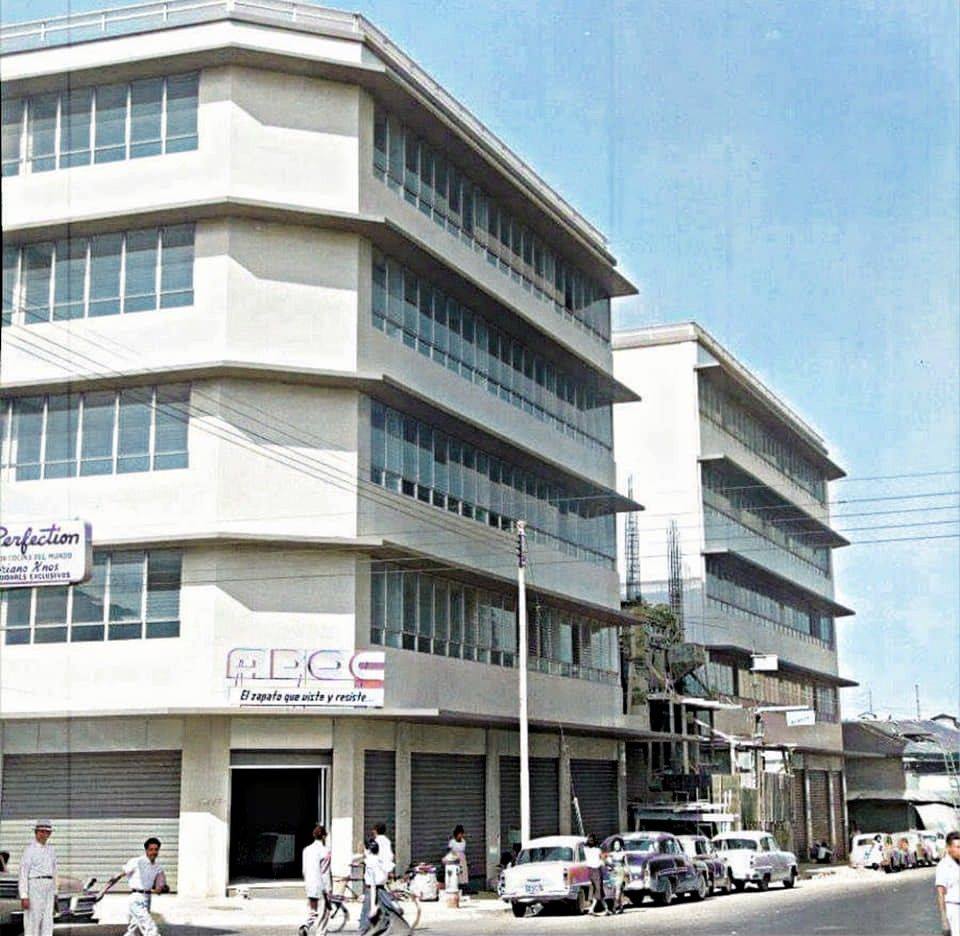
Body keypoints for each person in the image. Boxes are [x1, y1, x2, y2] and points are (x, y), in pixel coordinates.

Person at [103, 837, 169, 936]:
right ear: (146, 850)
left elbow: (159, 889)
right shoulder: (136, 862)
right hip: (136, 898)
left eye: (156, 849)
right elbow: (119, 875)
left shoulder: (158, 868)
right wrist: (104, 889)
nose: (154, 852)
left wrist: (163, 888)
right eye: (151, 849)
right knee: (150, 928)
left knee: (133, 930)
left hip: (147, 899)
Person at [18, 820, 57, 936]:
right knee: (33, 920)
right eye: (41, 832)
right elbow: (23, 873)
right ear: (36, 832)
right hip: (35, 884)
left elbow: (54, 871)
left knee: (47, 920)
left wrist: (55, 892)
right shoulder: (29, 850)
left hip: (48, 886)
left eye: (47, 832)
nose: (44, 834)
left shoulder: (51, 850)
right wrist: (24, 895)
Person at [299, 825, 333, 936]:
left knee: (313, 911)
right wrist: (328, 889)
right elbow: (325, 872)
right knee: (324, 915)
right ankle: (320, 934)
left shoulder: (306, 850)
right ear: (323, 836)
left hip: (310, 885)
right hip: (322, 887)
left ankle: (305, 925)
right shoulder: (325, 851)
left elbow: (304, 870)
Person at [358, 835, 388, 936]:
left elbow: (373, 884)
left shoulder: (370, 863)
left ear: (367, 850)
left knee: (366, 921)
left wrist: (372, 906)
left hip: (372, 892)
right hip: (382, 891)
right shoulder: (379, 860)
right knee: (382, 919)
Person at [936, 830, 960, 936]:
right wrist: (944, 920)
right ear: (949, 848)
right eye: (958, 847)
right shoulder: (944, 866)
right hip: (954, 909)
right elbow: (940, 893)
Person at [583, 834, 609, 916]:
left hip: (592, 870)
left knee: (597, 890)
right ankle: (604, 908)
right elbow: (602, 861)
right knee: (598, 889)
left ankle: (601, 908)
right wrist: (607, 865)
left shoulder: (586, 849)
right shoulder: (597, 850)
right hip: (596, 870)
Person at [605, 838, 627, 915]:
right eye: (615, 845)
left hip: (620, 872)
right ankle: (620, 907)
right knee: (615, 891)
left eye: (617, 844)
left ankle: (614, 907)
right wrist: (609, 867)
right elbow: (607, 862)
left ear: (620, 846)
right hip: (613, 873)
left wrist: (628, 873)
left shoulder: (623, 854)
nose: (616, 846)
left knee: (618, 890)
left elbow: (626, 865)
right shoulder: (611, 854)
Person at [447, 825, 468, 891]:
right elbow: (449, 850)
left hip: (462, 858)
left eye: (462, 834)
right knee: (455, 873)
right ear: (456, 834)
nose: (461, 835)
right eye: (460, 834)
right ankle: (455, 886)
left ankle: (463, 887)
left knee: (462, 872)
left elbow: (463, 850)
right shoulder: (452, 842)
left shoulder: (463, 841)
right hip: (454, 858)